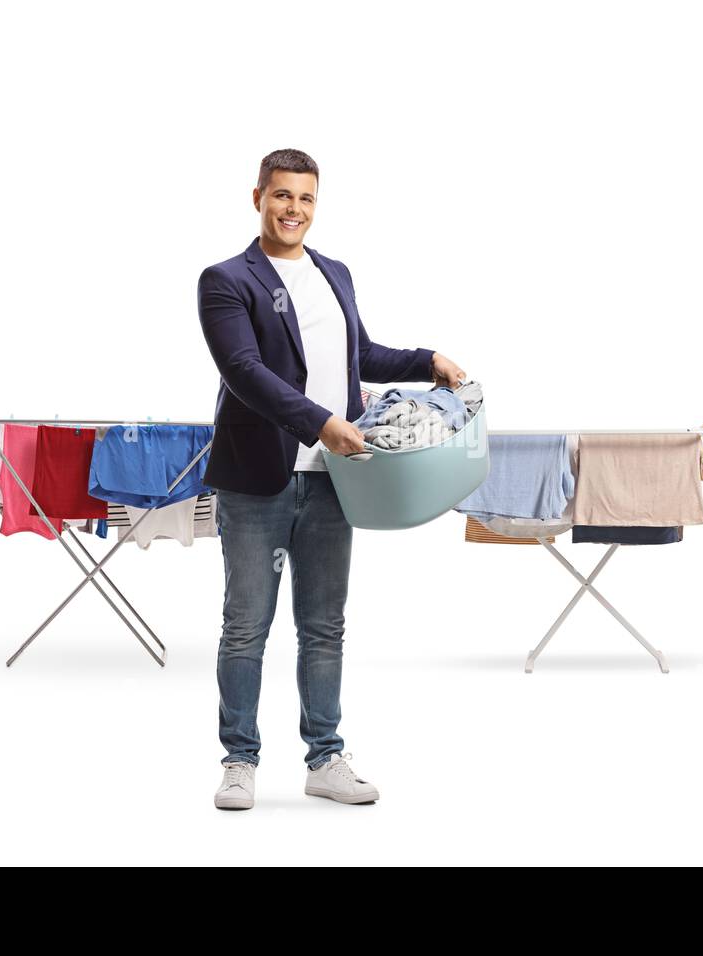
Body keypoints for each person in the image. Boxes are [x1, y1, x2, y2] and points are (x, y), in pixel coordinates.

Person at [197, 148, 466, 810]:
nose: (293, 209)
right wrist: (321, 422)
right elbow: (244, 369)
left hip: (334, 481)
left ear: (317, 205)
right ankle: (239, 760)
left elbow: (360, 353)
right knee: (245, 625)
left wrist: (426, 360)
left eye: (306, 199)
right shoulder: (226, 279)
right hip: (256, 479)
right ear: (257, 197)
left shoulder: (335, 273)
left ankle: (325, 757)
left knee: (324, 625)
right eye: (281, 196)